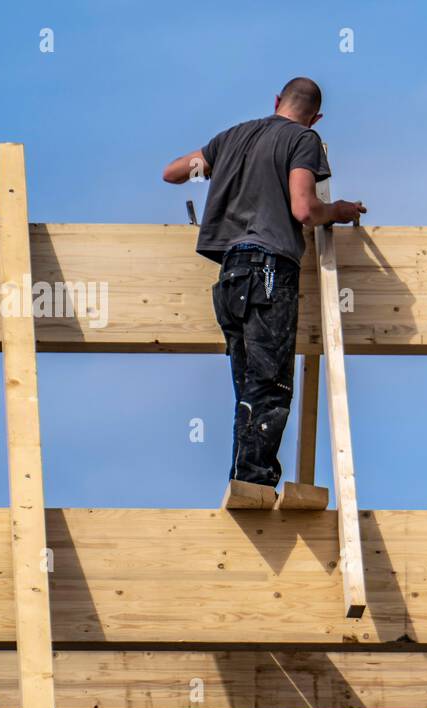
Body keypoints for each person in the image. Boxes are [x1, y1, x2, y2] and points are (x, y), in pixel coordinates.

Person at [162, 77, 366, 506]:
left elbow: (174, 172)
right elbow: (304, 209)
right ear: (317, 116)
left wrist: (219, 165)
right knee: (270, 384)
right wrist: (340, 210)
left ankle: (245, 482)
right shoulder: (304, 139)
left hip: (230, 276)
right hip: (269, 268)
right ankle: (255, 483)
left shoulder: (233, 137)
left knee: (249, 387)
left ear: (276, 101)